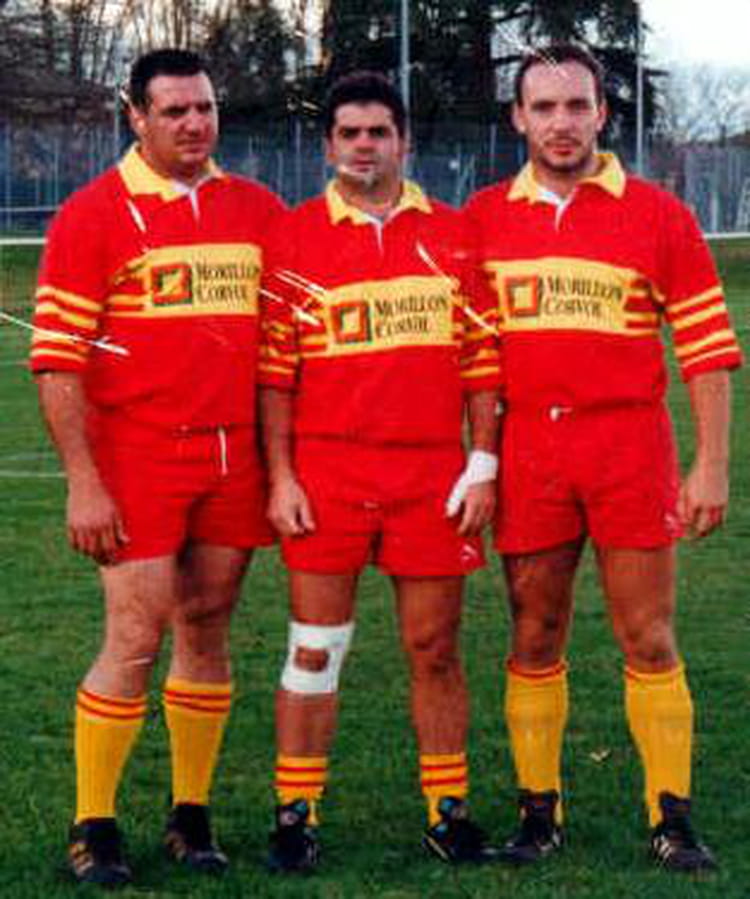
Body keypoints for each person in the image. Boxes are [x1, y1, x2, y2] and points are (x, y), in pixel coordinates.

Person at [464, 43, 742, 873]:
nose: (561, 123)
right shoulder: (484, 217)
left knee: (647, 632)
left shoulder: (657, 214)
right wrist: (479, 461)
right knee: (535, 629)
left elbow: (705, 350)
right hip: (531, 448)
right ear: (518, 118)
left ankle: (672, 816)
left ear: (602, 114)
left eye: (576, 106)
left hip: (628, 442)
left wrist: (713, 464)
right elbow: (471, 359)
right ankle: (538, 810)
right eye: (543, 108)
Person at [30, 48, 283, 887]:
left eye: (204, 108)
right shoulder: (93, 214)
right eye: (173, 111)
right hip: (137, 455)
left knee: (207, 624)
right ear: (136, 118)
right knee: (135, 636)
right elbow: (59, 361)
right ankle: (94, 821)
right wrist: (83, 480)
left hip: (232, 454)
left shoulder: (255, 208)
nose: (194, 124)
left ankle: (190, 812)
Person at [258, 71, 502, 872]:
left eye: (379, 132)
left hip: (429, 479)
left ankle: (447, 808)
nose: (366, 146)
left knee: (433, 646)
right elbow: (276, 376)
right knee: (316, 647)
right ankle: (296, 812)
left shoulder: (457, 234)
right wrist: (283, 477)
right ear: (328, 144)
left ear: (404, 141)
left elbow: (481, 365)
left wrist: (482, 464)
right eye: (350, 133)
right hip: (327, 476)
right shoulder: (293, 238)